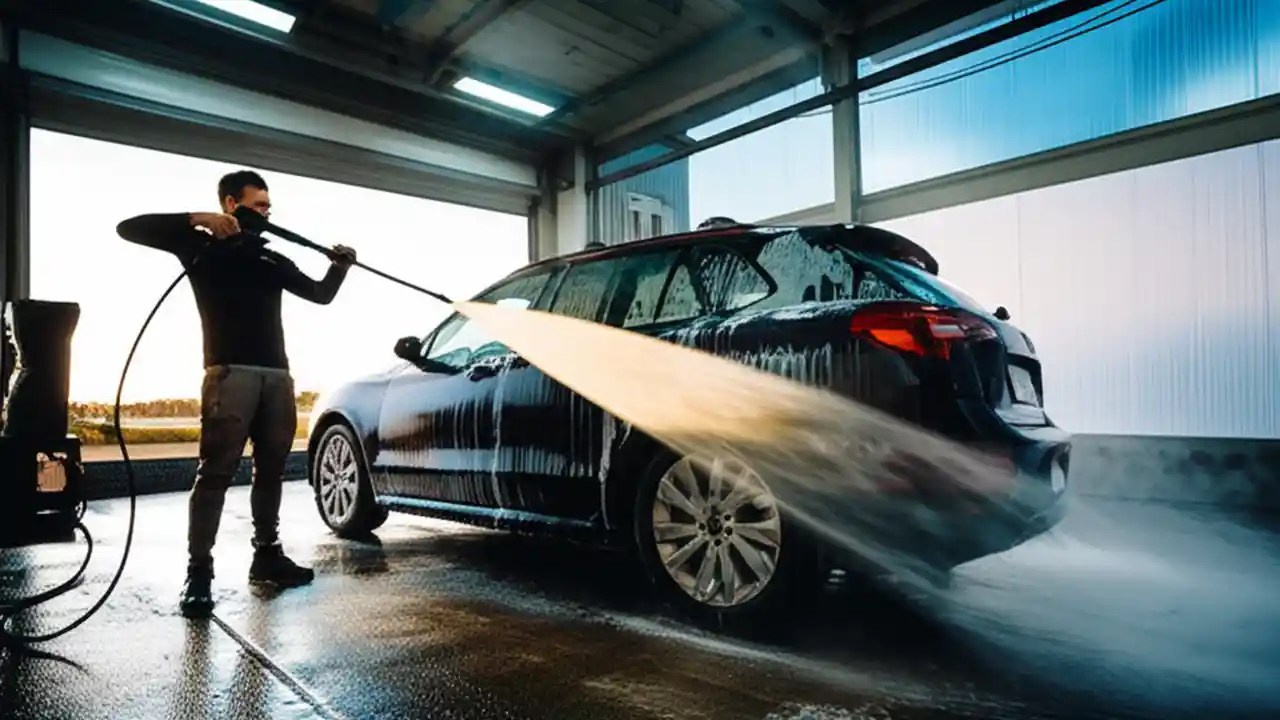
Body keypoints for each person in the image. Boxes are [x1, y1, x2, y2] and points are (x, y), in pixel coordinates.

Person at [117, 170, 356, 618]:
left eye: (269, 207)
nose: (267, 213)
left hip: (277, 377)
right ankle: (199, 573)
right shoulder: (199, 246)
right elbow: (129, 227)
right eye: (259, 205)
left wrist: (338, 267)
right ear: (232, 203)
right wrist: (198, 218)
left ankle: (267, 557)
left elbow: (321, 295)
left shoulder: (271, 258)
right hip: (229, 376)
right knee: (215, 474)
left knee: (271, 471)